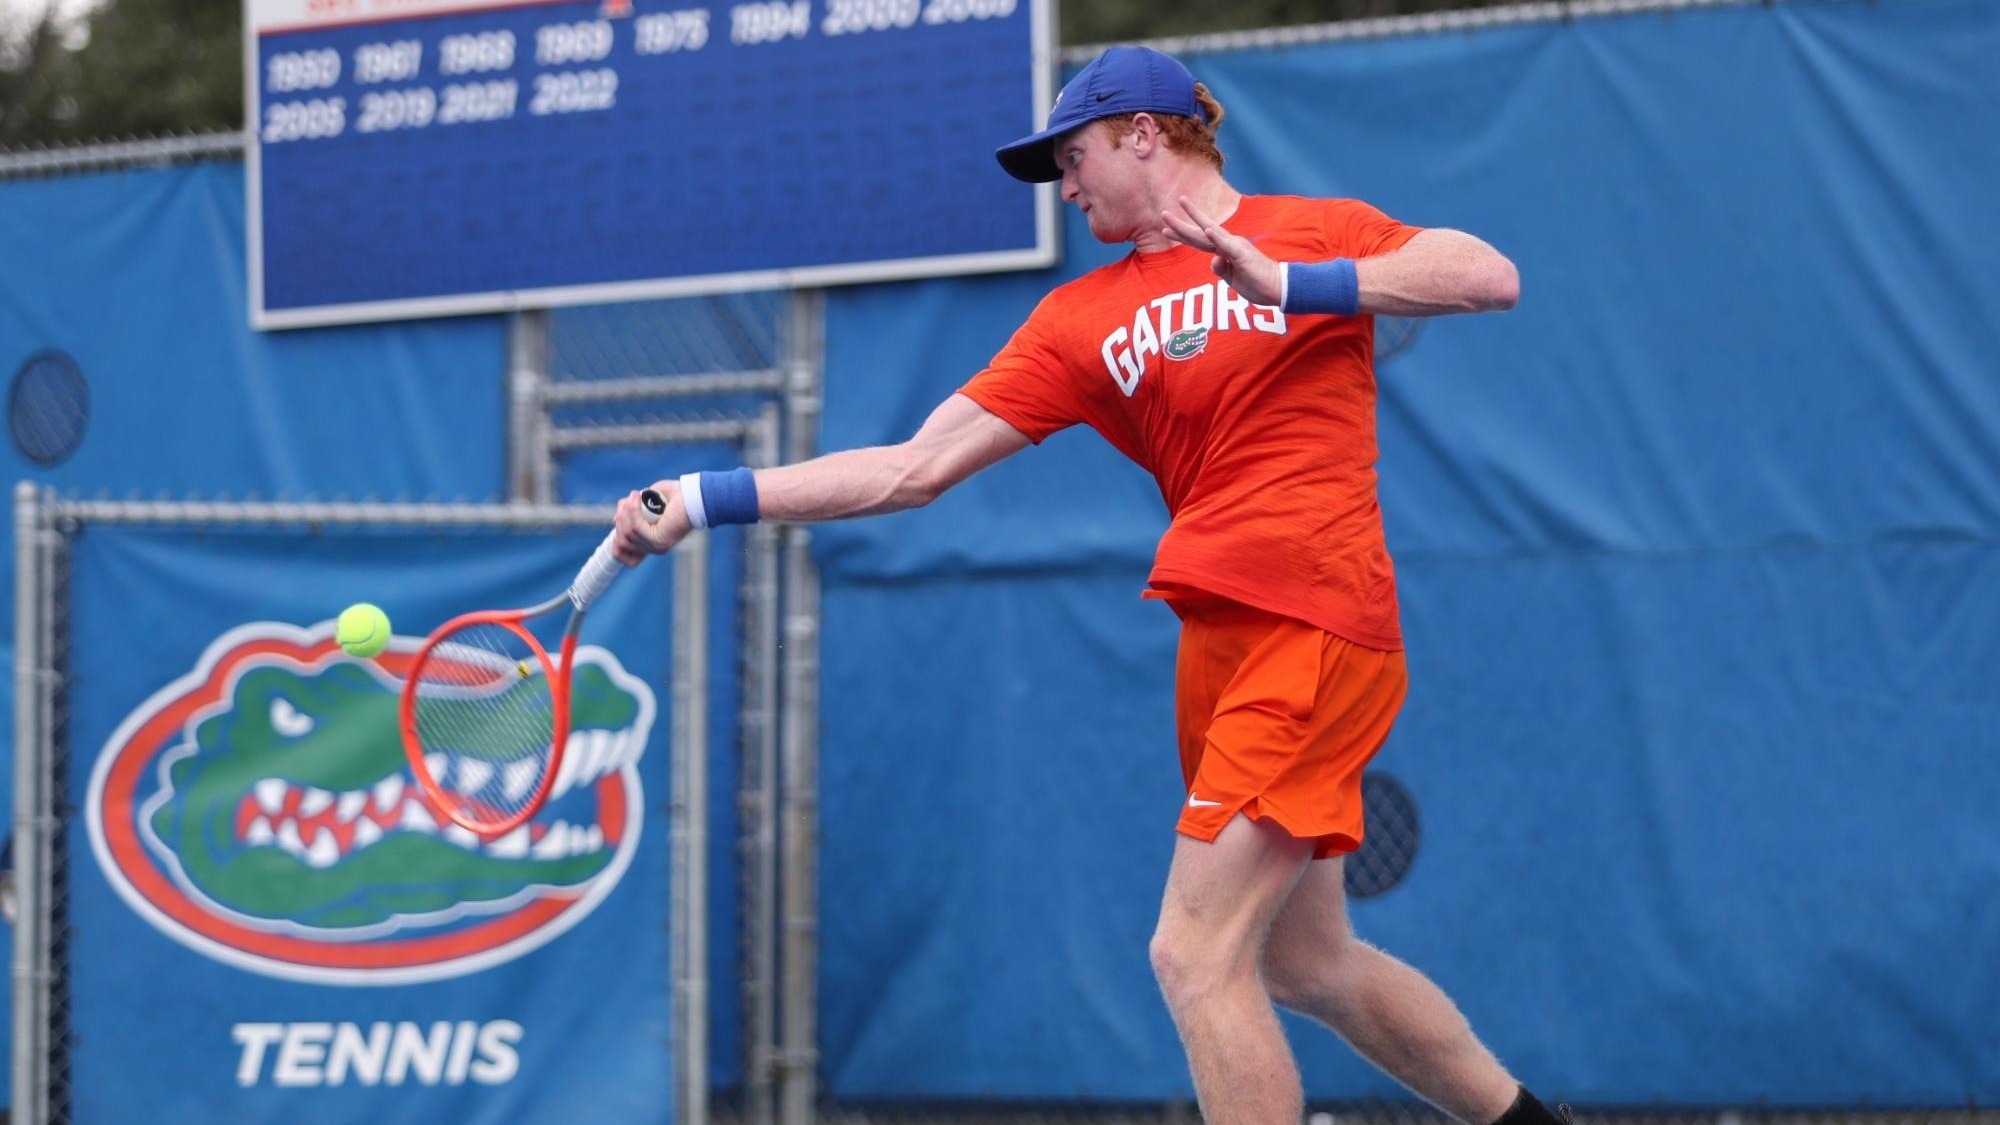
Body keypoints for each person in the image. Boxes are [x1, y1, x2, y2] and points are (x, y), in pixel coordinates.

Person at [614, 44, 1568, 1125]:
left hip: (1313, 617)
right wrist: (701, 494)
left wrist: (1292, 283)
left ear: (1144, 134)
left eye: (1072, 159)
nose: (1063, 189)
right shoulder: (1076, 319)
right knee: (1308, 965)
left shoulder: (1313, 230)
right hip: (1214, 641)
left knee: (1189, 953)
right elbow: (908, 468)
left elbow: (1486, 276)